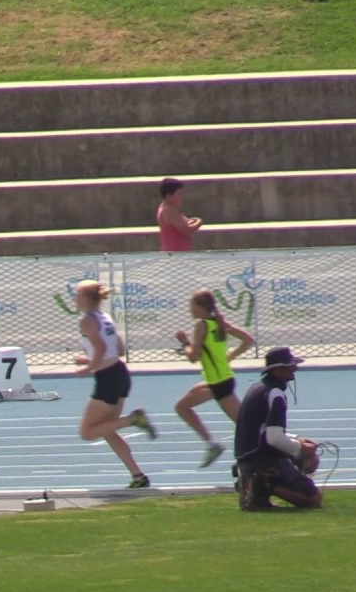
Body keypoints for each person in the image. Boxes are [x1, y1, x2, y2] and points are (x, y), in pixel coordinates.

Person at [72, 279, 158, 489]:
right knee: (106, 429)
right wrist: (89, 359)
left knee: (88, 432)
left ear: (85, 298)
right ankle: (138, 475)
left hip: (107, 378)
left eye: (76, 295)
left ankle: (133, 420)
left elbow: (101, 348)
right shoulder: (105, 317)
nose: (74, 299)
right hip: (120, 373)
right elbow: (118, 350)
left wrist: (88, 368)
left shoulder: (87, 320)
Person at [234, 346, 323, 510]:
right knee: (313, 500)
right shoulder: (275, 394)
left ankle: (256, 487)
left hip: (247, 457)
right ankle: (261, 486)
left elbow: (264, 431)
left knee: (309, 458)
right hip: (261, 457)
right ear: (278, 369)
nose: (294, 369)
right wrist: (302, 448)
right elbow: (274, 438)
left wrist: (297, 439)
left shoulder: (258, 388)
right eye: (290, 366)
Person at [174, 288, 253, 468]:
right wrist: (229, 356)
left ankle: (286, 449)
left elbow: (193, 357)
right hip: (217, 380)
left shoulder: (202, 325)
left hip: (220, 384)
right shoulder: (219, 322)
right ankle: (212, 444)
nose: (190, 309)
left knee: (247, 427)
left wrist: (185, 342)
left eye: (192, 306)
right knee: (182, 406)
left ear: (200, 307)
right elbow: (247, 340)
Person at [157, 178, 202, 252]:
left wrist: (190, 221)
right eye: (179, 194)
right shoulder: (169, 210)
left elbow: (180, 224)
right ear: (169, 195)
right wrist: (199, 222)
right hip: (176, 254)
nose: (182, 197)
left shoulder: (165, 208)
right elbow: (187, 230)